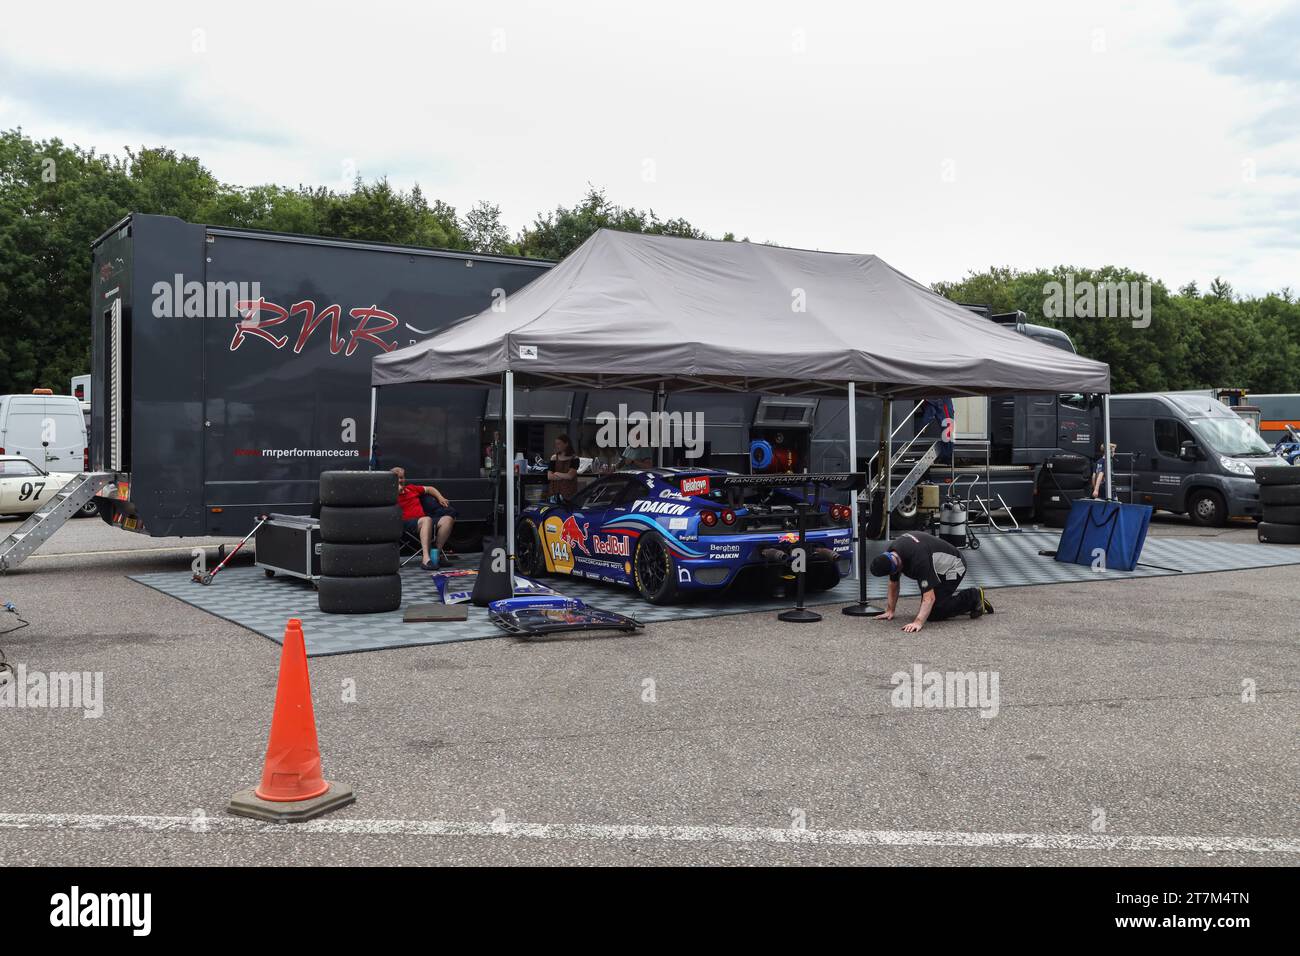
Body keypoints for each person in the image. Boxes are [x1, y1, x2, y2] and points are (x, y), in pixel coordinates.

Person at [869, 530, 993, 632]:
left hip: (954, 567)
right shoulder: (893, 552)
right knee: (930, 607)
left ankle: (973, 596)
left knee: (934, 612)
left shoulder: (918, 561)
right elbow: (893, 583)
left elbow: (929, 598)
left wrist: (918, 622)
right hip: (936, 564)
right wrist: (890, 610)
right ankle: (965, 602)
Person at [391, 466, 455, 571]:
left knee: (448, 519)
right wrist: (395, 492)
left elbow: (430, 489)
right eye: (397, 478)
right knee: (426, 520)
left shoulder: (411, 488)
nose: (400, 480)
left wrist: (440, 497)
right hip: (405, 523)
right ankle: (426, 559)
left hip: (423, 521)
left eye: (402, 477)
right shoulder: (389, 494)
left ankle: (436, 555)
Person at [547, 433, 579, 498]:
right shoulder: (554, 457)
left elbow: (570, 476)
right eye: (556, 444)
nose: (556, 446)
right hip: (555, 491)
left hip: (569, 491)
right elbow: (550, 476)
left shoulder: (574, 458)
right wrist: (564, 476)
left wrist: (556, 473)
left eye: (559, 443)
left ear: (566, 444)